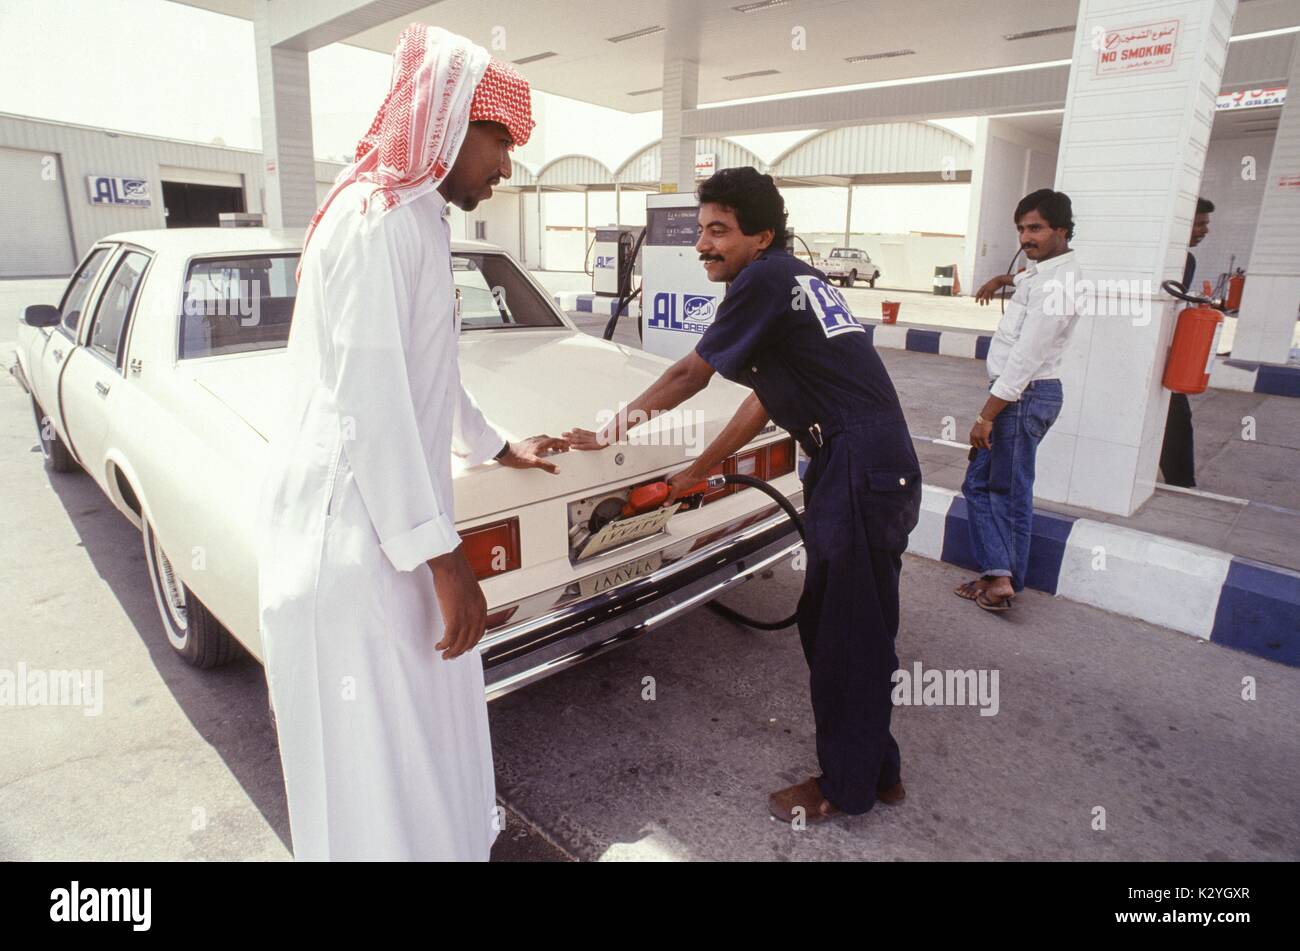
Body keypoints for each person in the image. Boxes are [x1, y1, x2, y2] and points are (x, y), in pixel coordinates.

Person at [257, 24, 566, 861]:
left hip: (396, 535)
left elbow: (426, 371)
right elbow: (373, 404)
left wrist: (496, 445)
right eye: (501, 141)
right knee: (372, 782)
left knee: (422, 760)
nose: (507, 167)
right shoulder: (375, 222)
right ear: (452, 119)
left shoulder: (416, 217)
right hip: (354, 547)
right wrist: (447, 559)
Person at [565, 167, 922, 824]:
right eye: (701, 230)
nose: (703, 245)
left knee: (845, 634)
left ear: (761, 237)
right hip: (868, 464)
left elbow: (688, 374)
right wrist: (698, 469)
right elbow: (762, 401)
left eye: (720, 231)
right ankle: (879, 770)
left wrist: (609, 431)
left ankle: (847, 788)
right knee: (849, 624)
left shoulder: (763, 279)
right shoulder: (791, 278)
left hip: (858, 465)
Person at [957, 189, 1084, 612]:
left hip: (1022, 397)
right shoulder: (1045, 273)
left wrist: (986, 416)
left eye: (1036, 229)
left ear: (1061, 230)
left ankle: (1001, 581)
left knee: (1006, 492)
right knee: (980, 484)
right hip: (1021, 395)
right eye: (1021, 229)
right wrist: (1002, 279)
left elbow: (1025, 360)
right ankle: (998, 573)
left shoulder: (1058, 285)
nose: (1026, 238)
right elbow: (1030, 280)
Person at [1159, 196, 1214, 488]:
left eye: (1205, 224)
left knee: (1176, 419)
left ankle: (1181, 481)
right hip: (1156, 354)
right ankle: (1182, 483)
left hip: (1164, 354)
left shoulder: (1184, 259)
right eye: (1199, 224)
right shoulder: (1176, 259)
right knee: (1176, 420)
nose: (1204, 231)